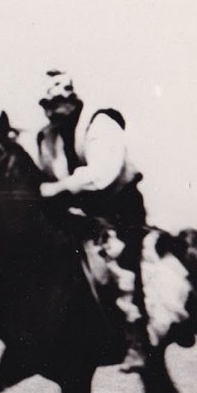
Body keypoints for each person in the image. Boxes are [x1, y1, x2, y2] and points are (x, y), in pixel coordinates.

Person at [34, 71, 150, 373]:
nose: (51, 111)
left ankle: (137, 339)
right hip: (78, 211)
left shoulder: (100, 123)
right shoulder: (49, 137)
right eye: (46, 105)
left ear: (72, 100)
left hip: (119, 209)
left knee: (122, 263)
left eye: (56, 103)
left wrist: (58, 189)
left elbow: (101, 174)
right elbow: (45, 175)